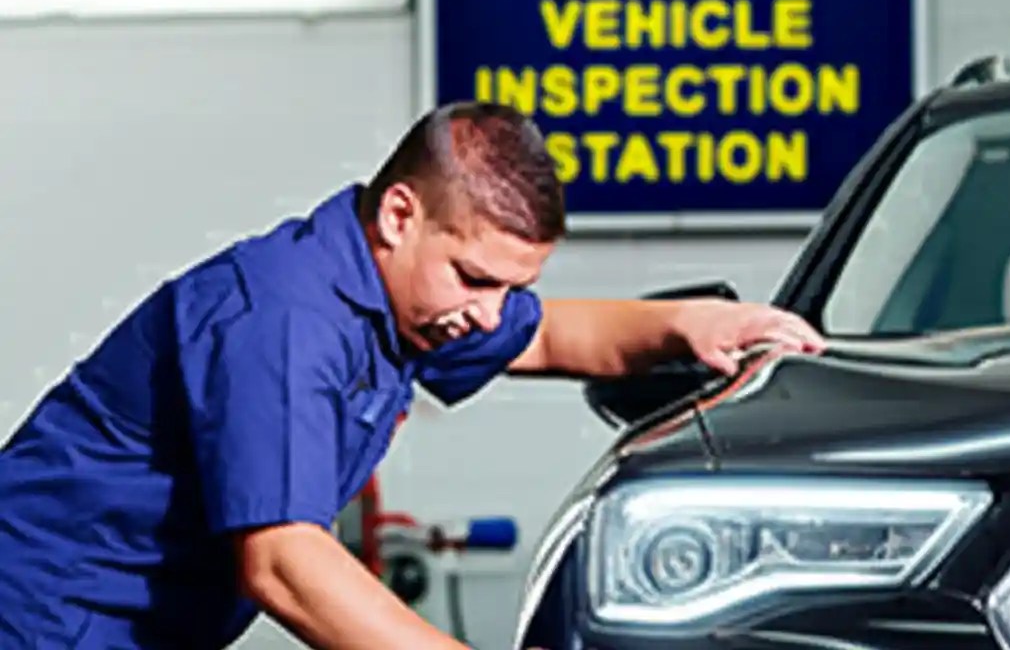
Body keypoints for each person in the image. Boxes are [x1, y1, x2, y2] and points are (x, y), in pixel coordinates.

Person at [0, 101, 825, 649]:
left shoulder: (403, 297)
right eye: (476, 279)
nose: (492, 314)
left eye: (514, 287)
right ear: (399, 215)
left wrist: (694, 325)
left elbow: (547, 339)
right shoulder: (285, 320)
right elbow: (284, 562)